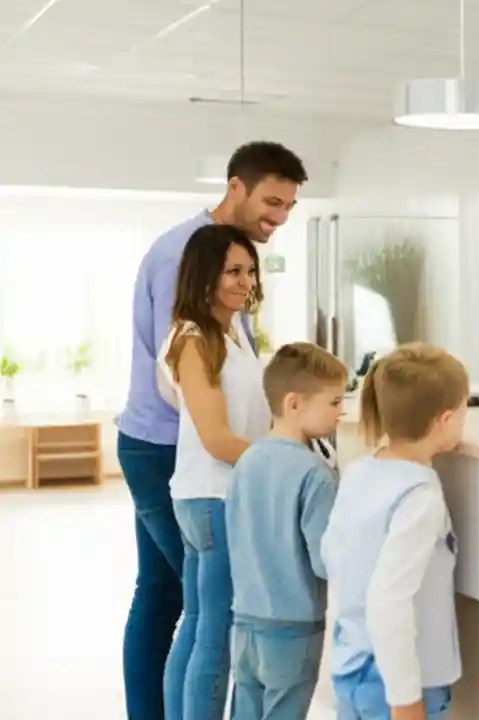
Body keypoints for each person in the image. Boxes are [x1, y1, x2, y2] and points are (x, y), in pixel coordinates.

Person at [116, 141, 307, 720]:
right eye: (271, 202)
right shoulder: (190, 259)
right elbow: (194, 384)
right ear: (234, 188)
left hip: (182, 455)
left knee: (169, 599)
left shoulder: (224, 262)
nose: (278, 217)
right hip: (172, 452)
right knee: (197, 609)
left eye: (289, 208)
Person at [160, 225, 273, 720]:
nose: (244, 281)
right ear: (204, 274)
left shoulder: (230, 333)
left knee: (199, 624)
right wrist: (281, 467)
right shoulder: (193, 337)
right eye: (232, 271)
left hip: (210, 496)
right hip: (214, 498)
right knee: (215, 635)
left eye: (249, 270)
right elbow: (216, 437)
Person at [322, 344, 469, 720]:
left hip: (350, 668)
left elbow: (332, 555)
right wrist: (404, 700)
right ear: (445, 419)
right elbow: (389, 600)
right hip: (397, 686)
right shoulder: (420, 497)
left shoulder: (360, 472)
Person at [226, 343, 348, 720]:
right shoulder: (315, 474)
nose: (340, 413)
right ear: (295, 403)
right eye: (333, 402)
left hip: (245, 624)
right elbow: (326, 562)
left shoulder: (246, 461)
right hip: (293, 630)